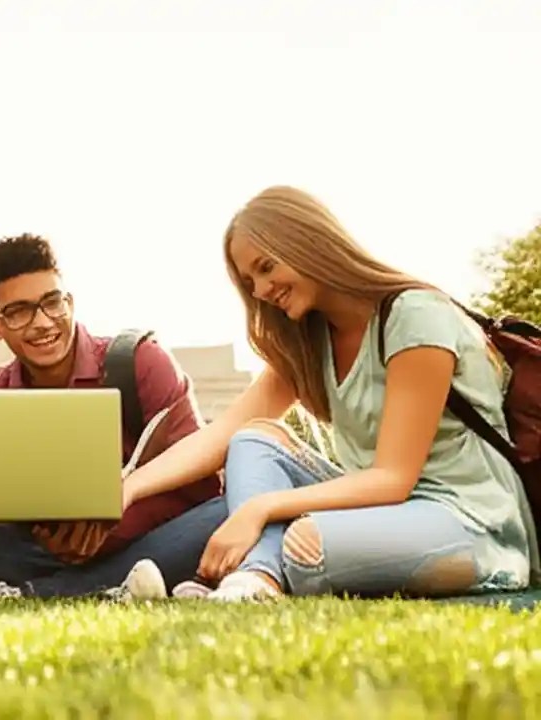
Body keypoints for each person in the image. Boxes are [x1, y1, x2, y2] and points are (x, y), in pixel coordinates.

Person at [129, 185, 538, 601]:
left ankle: (251, 577)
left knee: (308, 545)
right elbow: (220, 435)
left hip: (466, 521)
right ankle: (255, 580)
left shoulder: (414, 315)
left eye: (266, 267)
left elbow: (393, 479)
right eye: (251, 281)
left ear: (309, 243)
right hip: (384, 513)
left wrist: (259, 507)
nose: (260, 291)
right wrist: (126, 489)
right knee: (251, 438)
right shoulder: (309, 345)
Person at [0, 233, 228, 600]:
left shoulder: (140, 362)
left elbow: (199, 480)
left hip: (143, 541)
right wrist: (43, 529)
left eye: (52, 303)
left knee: (231, 509)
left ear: (69, 302)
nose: (42, 323)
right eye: (18, 312)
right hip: (35, 549)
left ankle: (27, 591)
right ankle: (99, 589)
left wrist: (112, 522)